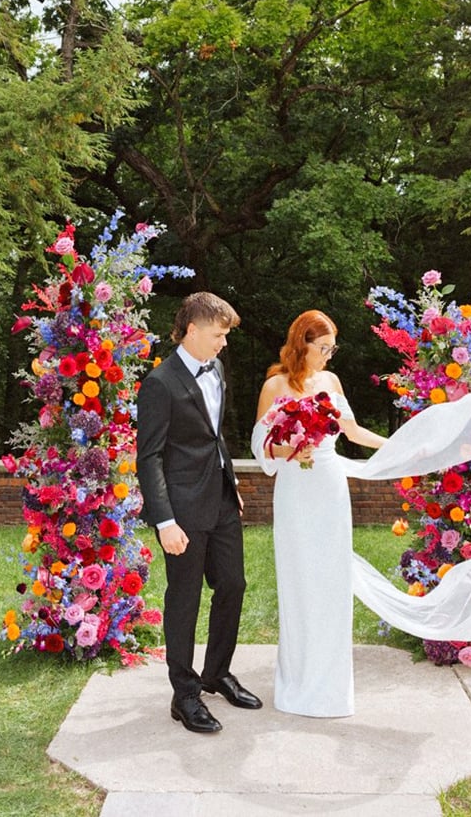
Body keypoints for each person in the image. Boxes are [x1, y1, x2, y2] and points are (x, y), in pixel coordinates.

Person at [137, 291, 262, 734]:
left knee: (233, 584)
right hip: (183, 513)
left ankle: (216, 673)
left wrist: (231, 481)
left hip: (222, 500)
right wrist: (165, 520)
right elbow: (148, 457)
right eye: (218, 334)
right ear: (192, 330)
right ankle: (184, 694)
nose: (223, 343)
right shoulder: (160, 382)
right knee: (185, 600)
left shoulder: (218, 369)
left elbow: (214, 435)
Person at [252, 310, 386, 718]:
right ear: (302, 344)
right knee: (299, 580)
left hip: (328, 486)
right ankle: (298, 683)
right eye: (323, 348)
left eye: (332, 348)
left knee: (331, 579)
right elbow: (261, 445)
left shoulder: (331, 382)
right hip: (294, 489)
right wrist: (288, 448)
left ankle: (330, 687)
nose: (329, 356)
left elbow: (354, 432)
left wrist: (397, 447)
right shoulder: (275, 385)